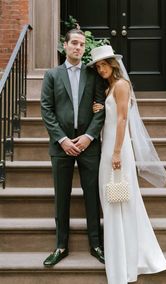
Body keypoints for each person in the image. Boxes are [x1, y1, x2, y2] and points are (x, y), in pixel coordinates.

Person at [87, 45, 166, 284]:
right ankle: (119, 251)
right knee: (112, 198)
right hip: (109, 146)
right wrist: (100, 108)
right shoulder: (110, 88)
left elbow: (123, 118)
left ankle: (126, 257)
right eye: (98, 66)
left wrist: (115, 153)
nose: (101, 69)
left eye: (104, 64)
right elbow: (112, 115)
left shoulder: (122, 85)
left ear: (113, 64)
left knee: (119, 197)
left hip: (118, 149)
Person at [40, 29, 106, 267]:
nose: (78, 47)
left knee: (92, 196)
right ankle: (61, 246)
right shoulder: (52, 75)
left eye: (82, 44)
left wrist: (89, 136)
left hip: (89, 145)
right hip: (61, 146)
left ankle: (96, 245)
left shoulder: (93, 74)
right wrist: (62, 140)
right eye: (74, 43)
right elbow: (46, 110)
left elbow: (101, 109)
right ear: (65, 46)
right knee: (62, 197)